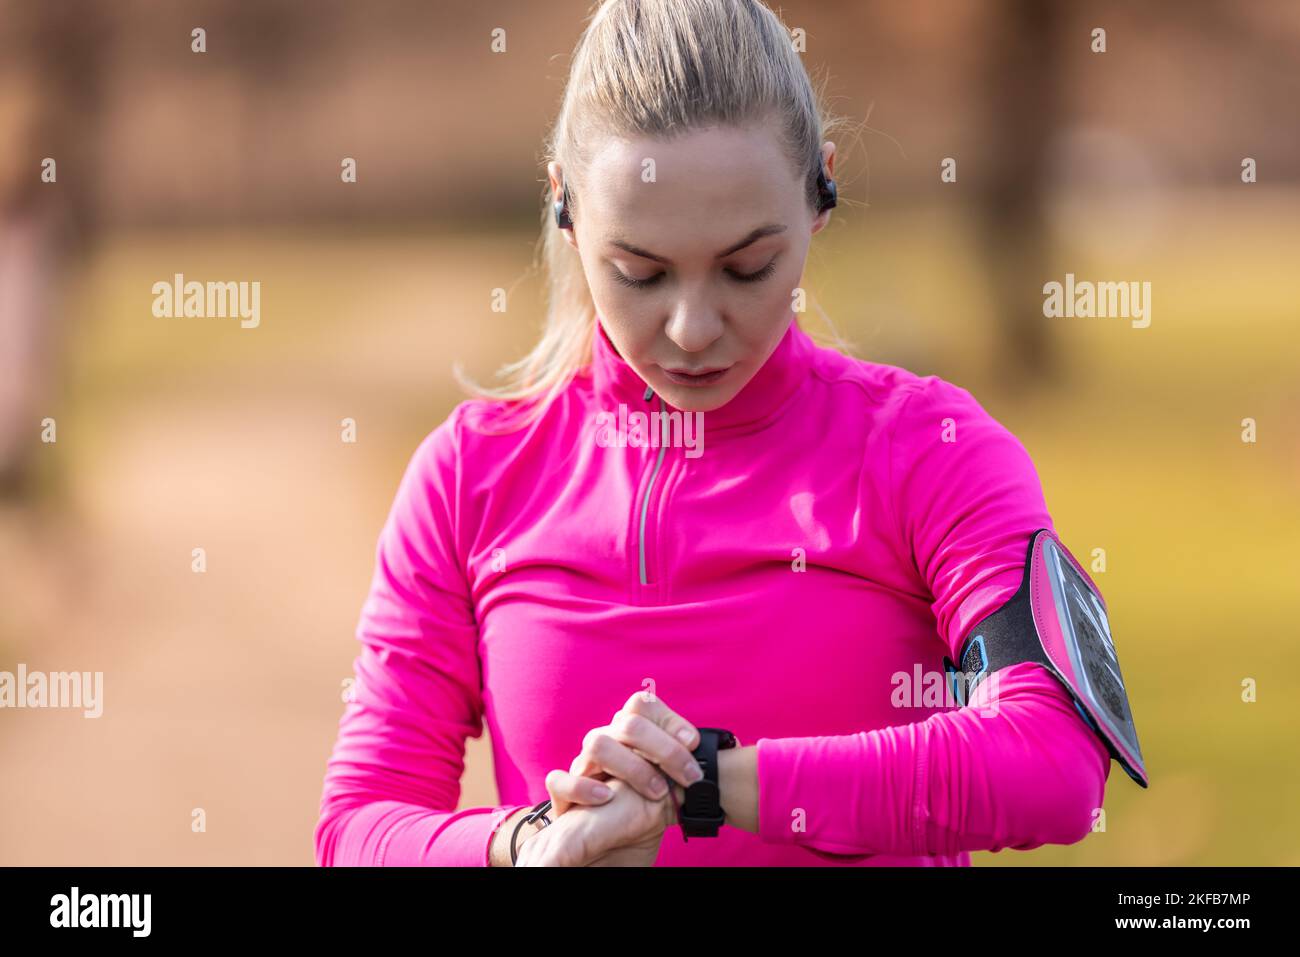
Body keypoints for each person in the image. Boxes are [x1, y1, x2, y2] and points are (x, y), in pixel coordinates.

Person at [313, 0, 1113, 867]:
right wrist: (530, 842)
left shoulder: (934, 449)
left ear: (821, 194)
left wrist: (707, 780)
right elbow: (358, 827)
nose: (694, 328)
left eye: (747, 266)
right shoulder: (470, 474)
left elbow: (1055, 761)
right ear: (564, 208)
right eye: (641, 273)